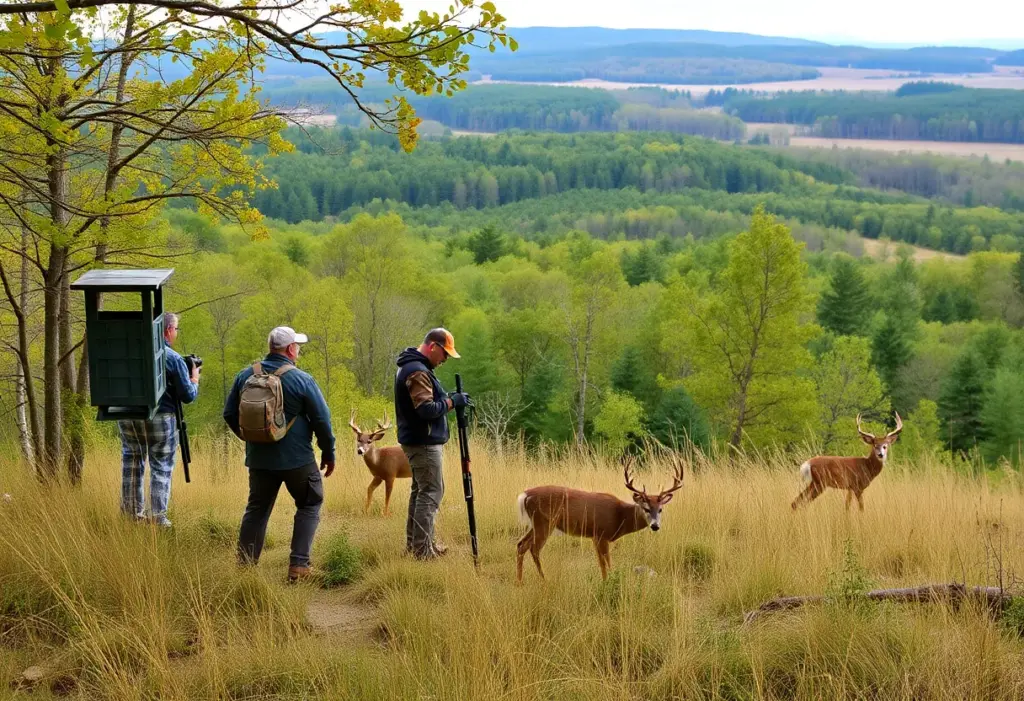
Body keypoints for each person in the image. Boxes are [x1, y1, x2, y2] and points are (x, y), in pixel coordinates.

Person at [224, 326, 336, 582]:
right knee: (310, 503)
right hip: (298, 460)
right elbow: (322, 419)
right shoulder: (302, 379)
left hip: (259, 460)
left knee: (257, 509)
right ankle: (298, 567)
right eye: (297, 345)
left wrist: (250, 438)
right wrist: (328, 453)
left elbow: (229, 414)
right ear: (289, 349)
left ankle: (245, 569)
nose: (297, 350)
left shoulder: (245, 376)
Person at [118, 312, 199, 527]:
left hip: (127, 415)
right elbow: (188, 395)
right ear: (168, 331)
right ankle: (157, 517)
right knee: (161, 465)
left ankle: (131, 515)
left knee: (132, 461)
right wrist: (195, 378)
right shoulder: (171, 357)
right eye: (176, 329)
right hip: (161, 417)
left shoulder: (127, 352)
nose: (176, 334)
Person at [394, 328, 470, 560]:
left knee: (421, 492)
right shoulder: (417, 371)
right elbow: (426, 410)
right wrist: (451, 401)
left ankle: (417, 546)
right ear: (433, 346)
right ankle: (422, 551)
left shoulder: (413, 366)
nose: (445, 359)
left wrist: (444, 398)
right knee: (431, 493)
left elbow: (425, 401)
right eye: (445, 353)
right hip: (423, 442)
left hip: (418, 440)